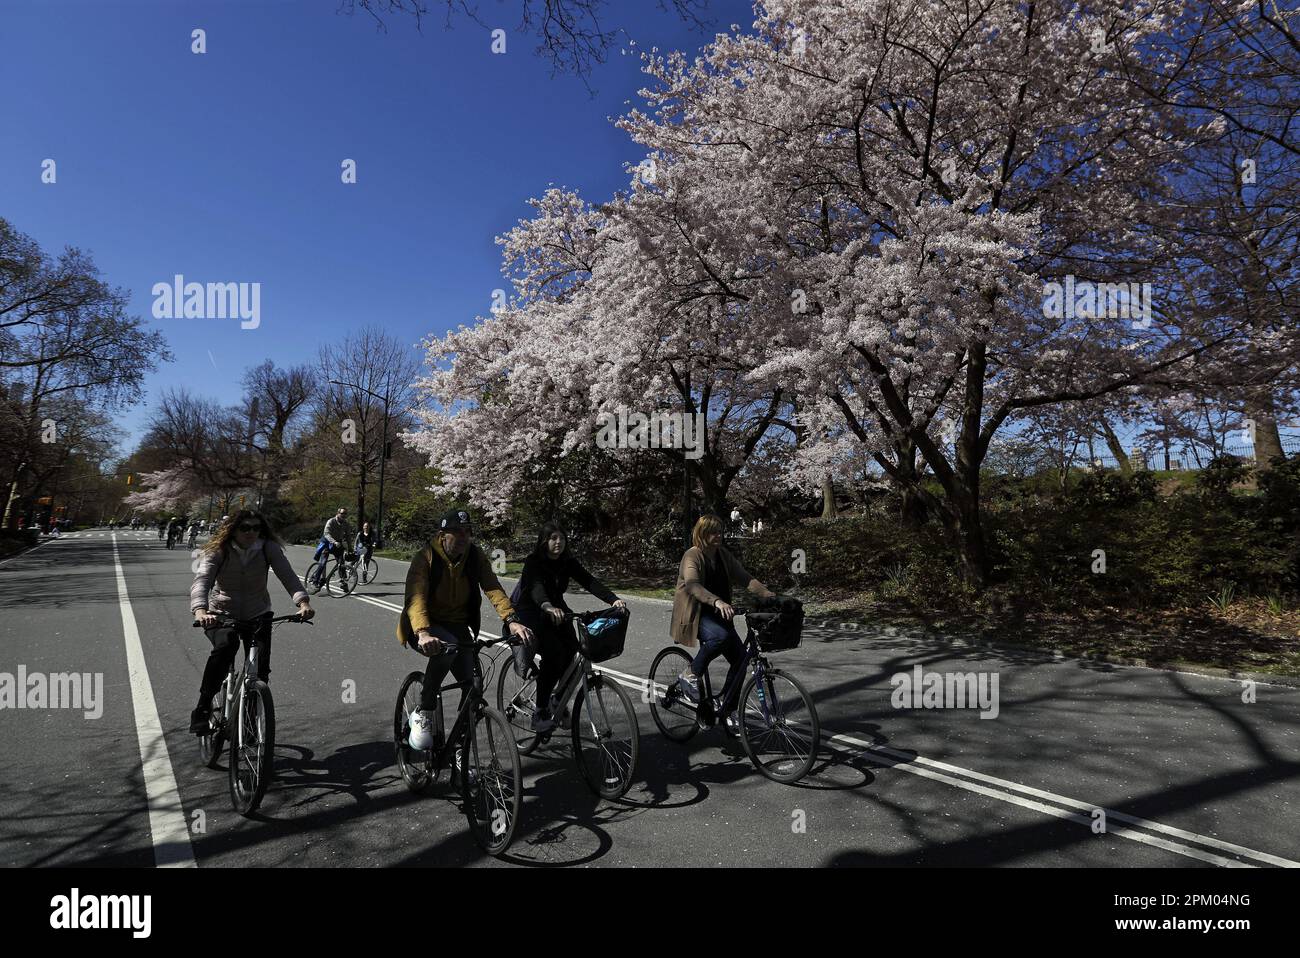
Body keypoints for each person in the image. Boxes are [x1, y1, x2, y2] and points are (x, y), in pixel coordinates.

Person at [396, 509, 533, 752]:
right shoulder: (425, 558)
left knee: (473, 688)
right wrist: (424, 633)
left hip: (458, 626)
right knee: (446, 649)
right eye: (456, 532)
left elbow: (492, 586)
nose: (463, 537)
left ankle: (460, 750)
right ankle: (425, 710)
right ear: (442, 535)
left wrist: (511, 619)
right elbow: (415, 599)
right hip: (424, 627)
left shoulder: (474, 556)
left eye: (467, 532)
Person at [189, 509, 315, 733]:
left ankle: (249, 721)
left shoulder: (267, 548)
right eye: (245, 527)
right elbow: (202, 580)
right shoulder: (219, 550)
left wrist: (303, 603)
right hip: (221, 613)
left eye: (256, 528)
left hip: (258, 613)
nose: (251, 532)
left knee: (260, 671)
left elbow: (288, 576)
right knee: (226, 645)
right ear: (233, 529)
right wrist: (200, 610)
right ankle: (203, 707)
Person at [513, 521, 628, 733]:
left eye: (562, 538)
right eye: (553, 538)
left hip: (556, 610)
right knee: (554, 653)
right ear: (544, 541)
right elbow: (536, 588)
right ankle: (539, 712)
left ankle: (557, 699)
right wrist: (547, 606)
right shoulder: (533, 562)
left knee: (573, 650)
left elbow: (588, 581)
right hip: (531, 612)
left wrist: (613, 600)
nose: (558, 542)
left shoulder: (567, 562)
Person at [669, 513, 776, 732]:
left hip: (720, 614)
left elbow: (745, 578)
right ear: (702, 534)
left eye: (720, 531)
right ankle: (690, 674)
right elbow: (692, 585)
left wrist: (770, 596)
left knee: (740, 660)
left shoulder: (723, 555)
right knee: (720, 637)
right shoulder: (692, 556)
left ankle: (727, 706)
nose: (719, 536)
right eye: (713, 532)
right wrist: (716, 601)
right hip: (697, 614)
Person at [312, 507, 351, 587]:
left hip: (337, 544)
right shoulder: (331, 521)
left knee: (341, 563)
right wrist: (334, 541)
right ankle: (315, 581)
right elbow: (326, 534)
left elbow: (348, 536)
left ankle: (342, 581)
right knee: (323, 563)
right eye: (342, 513)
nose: (343, 515)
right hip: (326, 543)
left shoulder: (346, 524)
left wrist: (350, 548)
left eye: (345, 513)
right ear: (338, 513)